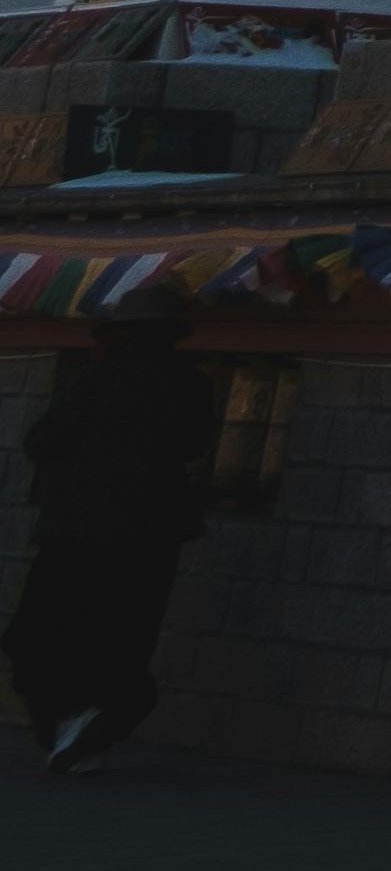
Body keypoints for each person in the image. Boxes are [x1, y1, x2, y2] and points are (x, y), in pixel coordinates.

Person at [8, 293, 215, 774]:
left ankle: (61, 726)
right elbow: (192, 446)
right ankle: (94, 724)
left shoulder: (95, 383)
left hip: (77, 532)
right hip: (151, 535)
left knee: (39, 636)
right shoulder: (190, 386)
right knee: (124, 636)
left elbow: (40, 441)